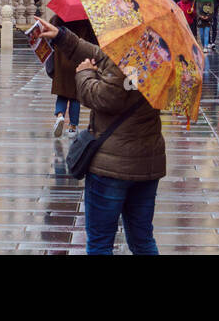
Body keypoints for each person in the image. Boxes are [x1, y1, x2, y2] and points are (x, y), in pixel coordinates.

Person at [36, 19, 165, 255]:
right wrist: (62, 36)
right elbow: (101, 56)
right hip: (148, 163)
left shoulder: (129, 60)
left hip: (112, 166)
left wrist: (84, 74)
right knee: (142, 240)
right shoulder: (157, 54)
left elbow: (102, 98)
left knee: (100, 243)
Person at [49, 15, 98, 138]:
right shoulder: (85, 21)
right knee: (75, 96)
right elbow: (93, 42)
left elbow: (50, 39)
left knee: (62, 92)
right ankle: (73, 127)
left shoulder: (56, 19)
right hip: (78, 60)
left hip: (60, 62)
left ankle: (60, 116)